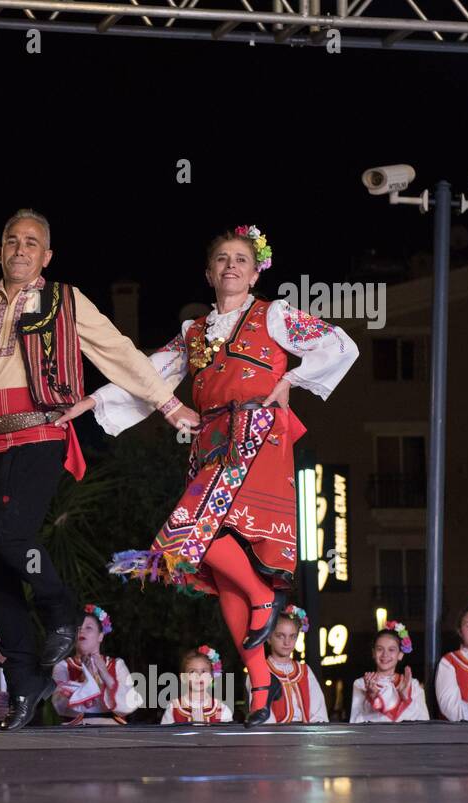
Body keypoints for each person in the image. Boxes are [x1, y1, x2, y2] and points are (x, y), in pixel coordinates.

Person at [0, 209, 186, 731]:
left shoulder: (66, 301)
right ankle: (27, 674)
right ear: (0, 249)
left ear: (46, 256)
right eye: (11, 240)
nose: (19, 248)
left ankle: (60, 609)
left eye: (31, 242)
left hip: (38, 434)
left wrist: (169, 406)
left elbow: (119, 353)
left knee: (10, 535)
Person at [64, 225, 357, 728]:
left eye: (240, 258)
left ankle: (265, 598)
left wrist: (289, 380)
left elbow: (337, 344)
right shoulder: (194, 332)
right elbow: (148, 374)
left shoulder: (275, 315)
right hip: (208, 441)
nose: (230, 266)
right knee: (222, 576)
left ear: (256, 268)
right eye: (221, 259)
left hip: (257, 433)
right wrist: (93, 400)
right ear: (208, 272)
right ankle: (261, 688)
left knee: (187, 540)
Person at [50, 604, 139, 725]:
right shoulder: (63, 666)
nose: (82, 630)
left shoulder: (117, 664)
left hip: (113, 729)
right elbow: (59, 706)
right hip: (75, 730)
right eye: (78, 628)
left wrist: (105, 674)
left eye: (89, 628)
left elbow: (129, 704)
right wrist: (85, 678)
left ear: (100, 636)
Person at [259, 606, 328, 724]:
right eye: (280, 636)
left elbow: (318, 712)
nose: (287, 642)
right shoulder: (260, 671)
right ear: (269, 638)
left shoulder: (304, 671)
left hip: (304, 735)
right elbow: (261, 714)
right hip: (275, 736)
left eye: (292, 636)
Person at [349, 622, 428, 723]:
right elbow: (356, 721)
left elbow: (424, 723)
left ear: (400, 654)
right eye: (379, 649)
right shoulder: (361, 684)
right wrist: (372, 695)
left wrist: (405, 698)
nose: (385, 654)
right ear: (373, 653)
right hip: (373, 738)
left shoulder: (413, 685)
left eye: (391, 650)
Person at [161, 646, 234, 724]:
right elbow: (165, 735)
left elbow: (225, 734)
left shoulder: (221, 709)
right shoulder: (173, 708)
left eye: (204, 671)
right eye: (192, 671)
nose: (199, 676)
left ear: (211, 677)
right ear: (183, 678)